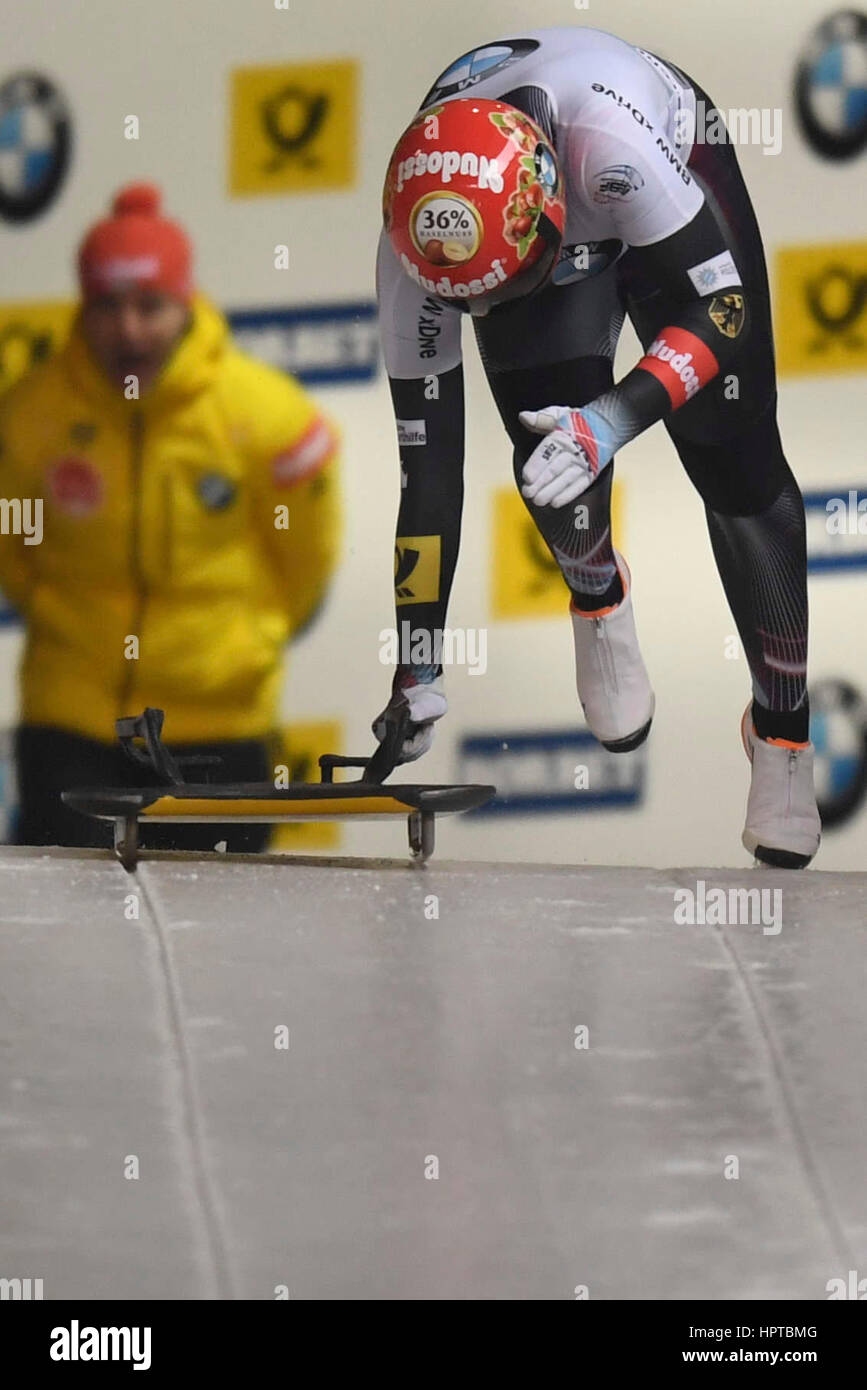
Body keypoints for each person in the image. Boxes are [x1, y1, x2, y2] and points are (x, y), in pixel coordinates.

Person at [372, 26, 821, 868]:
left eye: (506, 289)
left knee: (740, 475)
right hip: (537, 206)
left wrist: (612, 419)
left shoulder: (614, 151)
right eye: (477, 302)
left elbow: (720, 312)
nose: (489, 309)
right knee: (551, 455)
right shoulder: (413, 250)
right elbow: (426, 471)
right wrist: (416, 666)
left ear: (545, 218)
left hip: (667, 166)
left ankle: (782, 736)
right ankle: (598, 599)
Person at [0, 182, 340, 851]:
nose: (127, 330)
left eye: (148, 306)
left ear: (184, 304)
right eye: (107, 307)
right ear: (82, 307)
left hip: (221, 725)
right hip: (70, 725)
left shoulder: (268, 418)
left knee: (216, 947)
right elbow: (13, 547)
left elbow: (306, 562)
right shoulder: (29, 415)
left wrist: (246, 641)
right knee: (62, 948)